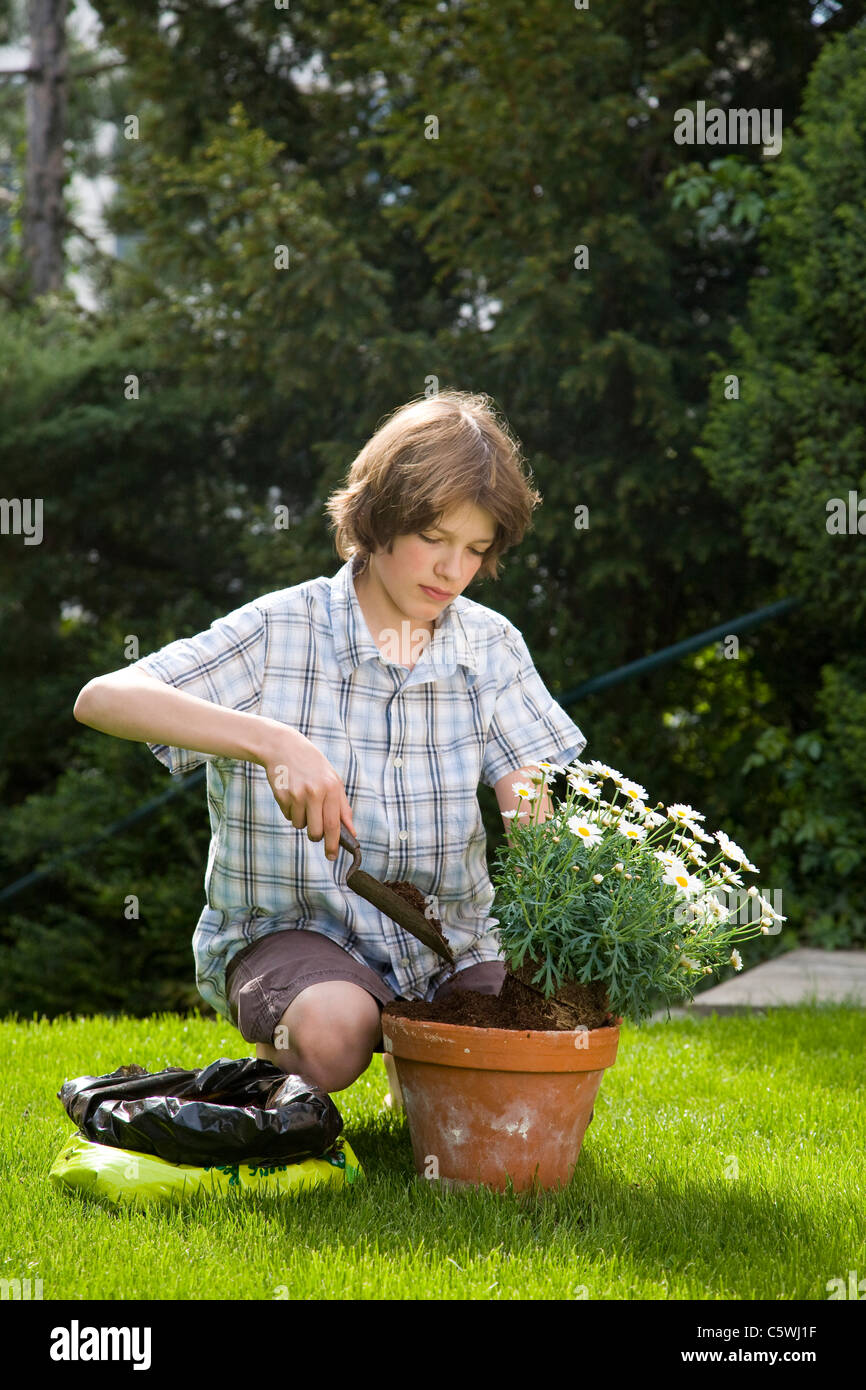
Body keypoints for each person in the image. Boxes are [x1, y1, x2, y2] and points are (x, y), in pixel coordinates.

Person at [72, 390, 587, 1109]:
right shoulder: (282, 630)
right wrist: (271, 741)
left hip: (451, 946)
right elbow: (102, 698)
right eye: (434, 538)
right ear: (377, 520)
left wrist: (549, 898)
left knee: (536, 1045)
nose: (452, 570)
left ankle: (430, 1067)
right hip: (294, 933)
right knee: (335, 1032)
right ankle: (283, 1068)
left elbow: (530, 799)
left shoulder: (490, 645)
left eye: (474, 549)